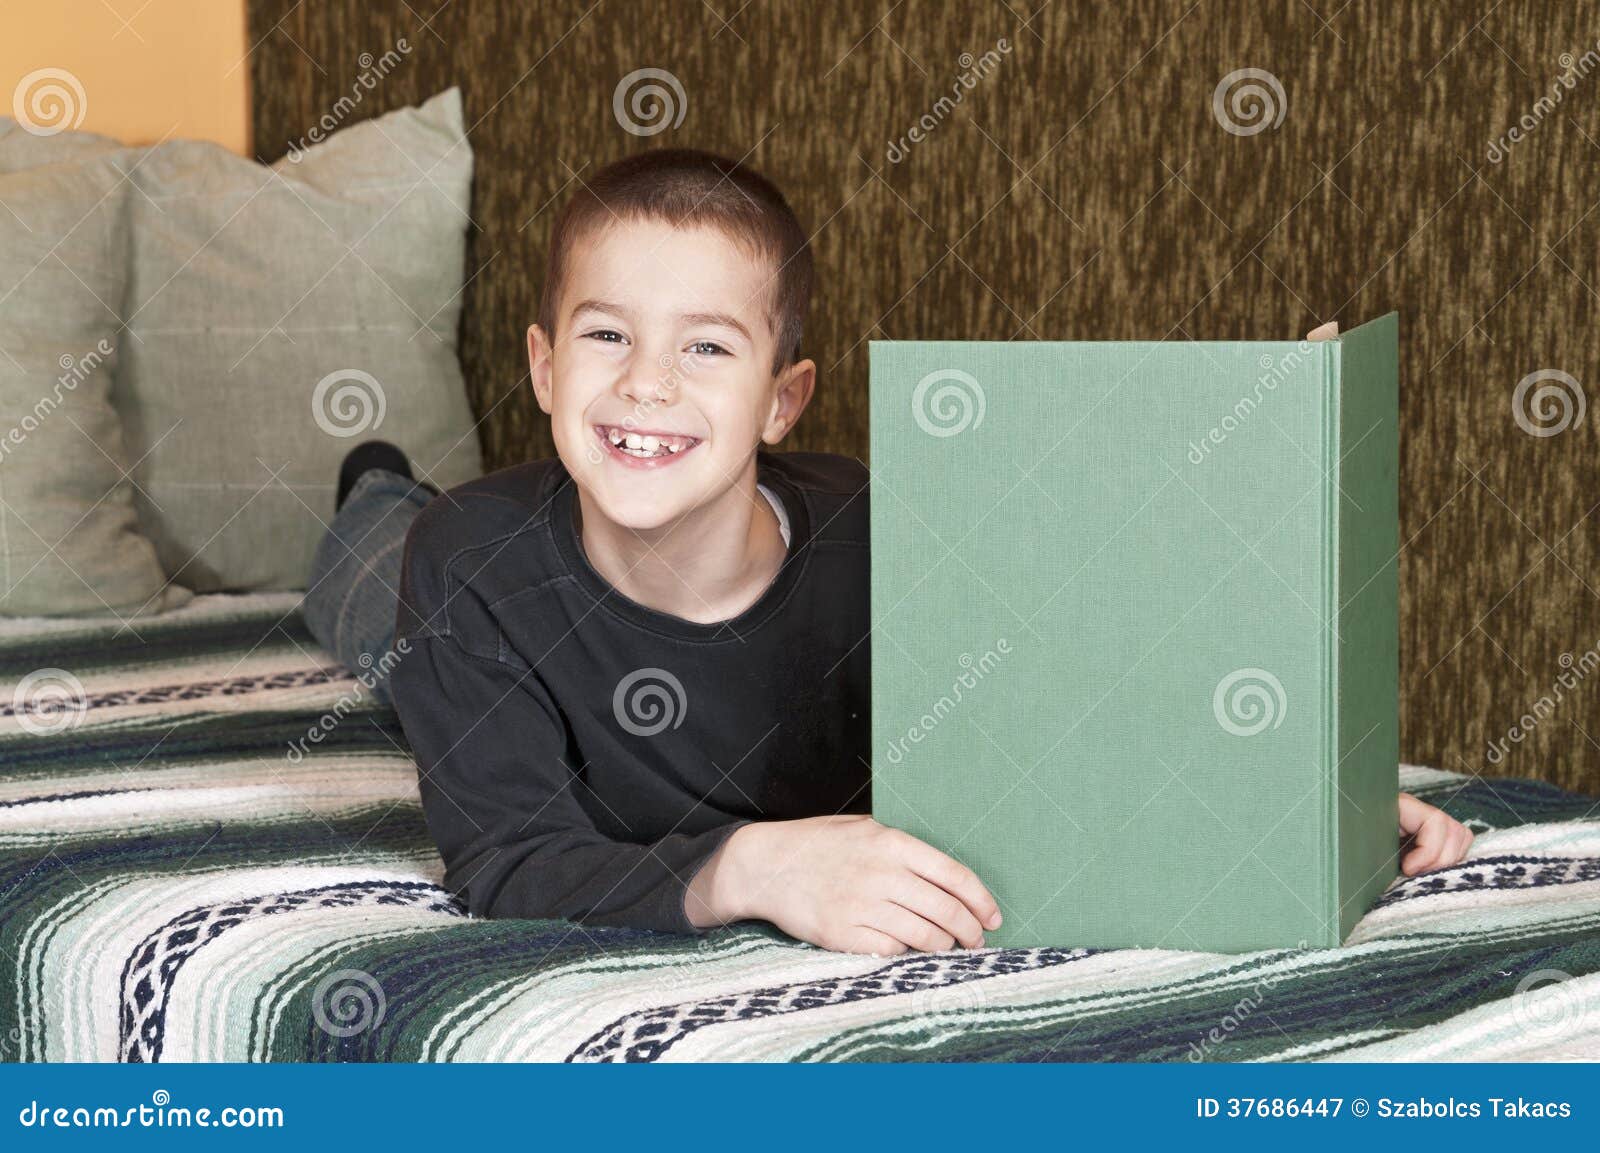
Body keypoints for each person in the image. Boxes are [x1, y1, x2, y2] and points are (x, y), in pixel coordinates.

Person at [302, 149, 1471, 955]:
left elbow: (1069, 695)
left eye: (706, 347)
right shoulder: (472, 562)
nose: (647, 382)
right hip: (436, 559)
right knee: (370, 585)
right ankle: (375, 484)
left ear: (783, 399)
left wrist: (1293, 791)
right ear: (547, 368)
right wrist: (752, 869)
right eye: (608, 335)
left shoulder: (891, 538)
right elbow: (507, 860)